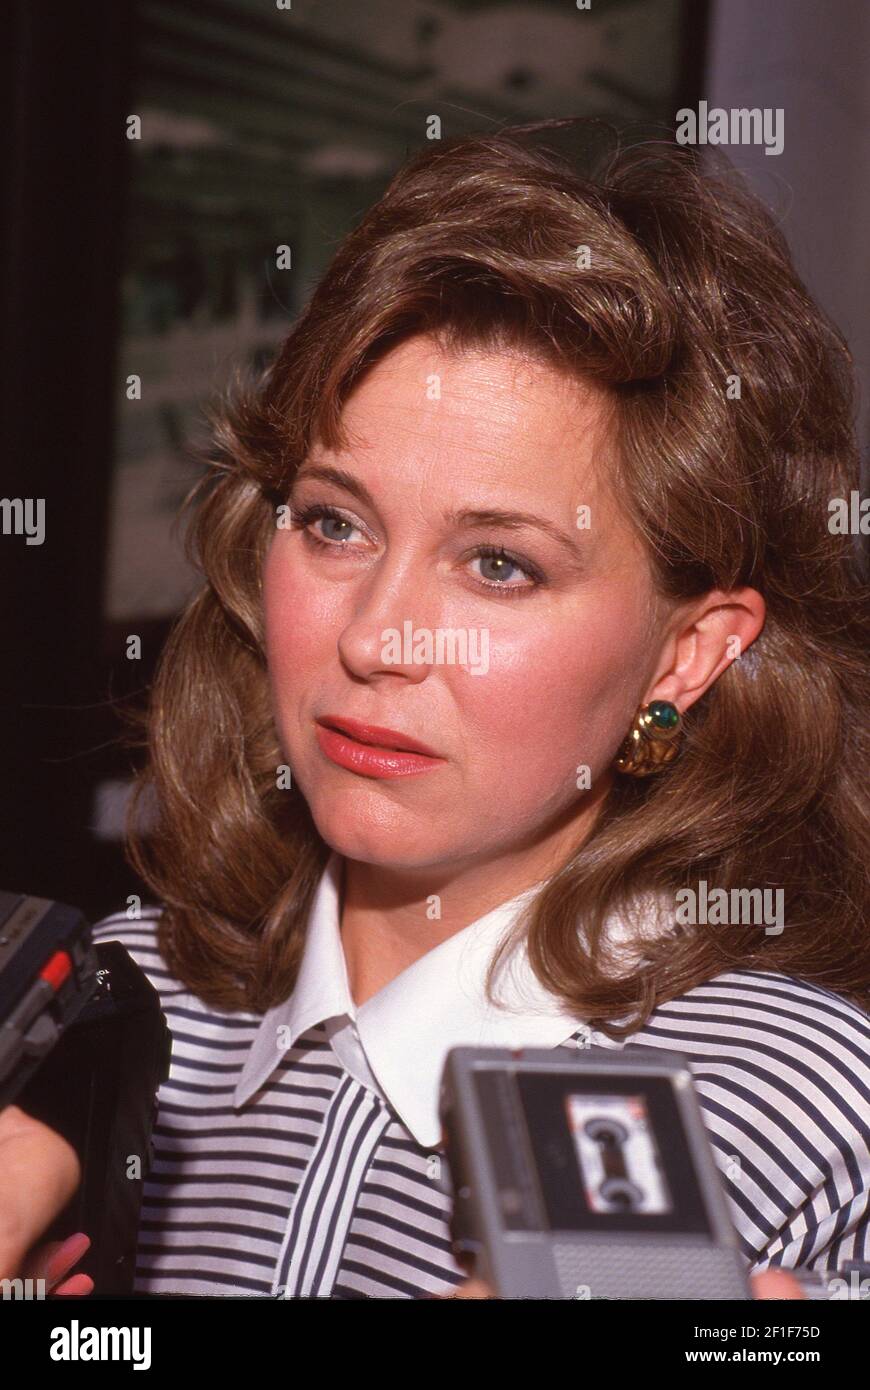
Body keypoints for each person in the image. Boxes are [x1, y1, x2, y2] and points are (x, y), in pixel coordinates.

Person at [10, 119, 870, 1299]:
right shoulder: (93, 1010)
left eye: (500, 565)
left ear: (690, 653)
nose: (373, 639)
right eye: (334, 524)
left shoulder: (802, 1106)